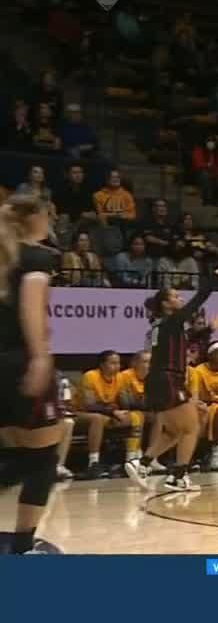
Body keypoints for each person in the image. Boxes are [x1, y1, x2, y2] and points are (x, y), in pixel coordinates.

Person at [124, 267, 218, 493]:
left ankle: (143, 464)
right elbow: (198, 298)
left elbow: (185, 338)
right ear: (165, 304)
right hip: (168, 380)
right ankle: (177, 476)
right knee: (193, 427)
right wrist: (216, 278)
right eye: (175, 296)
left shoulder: (164, 326)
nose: (180, 298)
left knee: (173, 432)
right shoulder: (171, 321)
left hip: (159, 382)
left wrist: (209, 329)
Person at [0, 195, 64, 554]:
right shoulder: (37, 258)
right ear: (35, 218)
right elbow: (31, 308)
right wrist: (40, 358)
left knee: (13, 454)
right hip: (19, 361)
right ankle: (24, 546)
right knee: (42, 460)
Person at [74, 350, 143, 479]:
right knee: (97, 419)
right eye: (113, 363)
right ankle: (93, 462)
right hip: (80, 413)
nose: (117, 366)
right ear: (102, 364)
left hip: (106, 413)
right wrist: (113, 411)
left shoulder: (120, 377)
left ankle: (131, 460)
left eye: (118, 363)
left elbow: (124, 402)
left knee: (136, 416)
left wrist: (124, 409)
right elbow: (90, 405)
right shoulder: (91, 376)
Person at [189, 342, 218, 472]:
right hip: (206, 405)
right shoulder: (199, 371)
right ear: (210, 355)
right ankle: (215, 453)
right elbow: (201, 397)